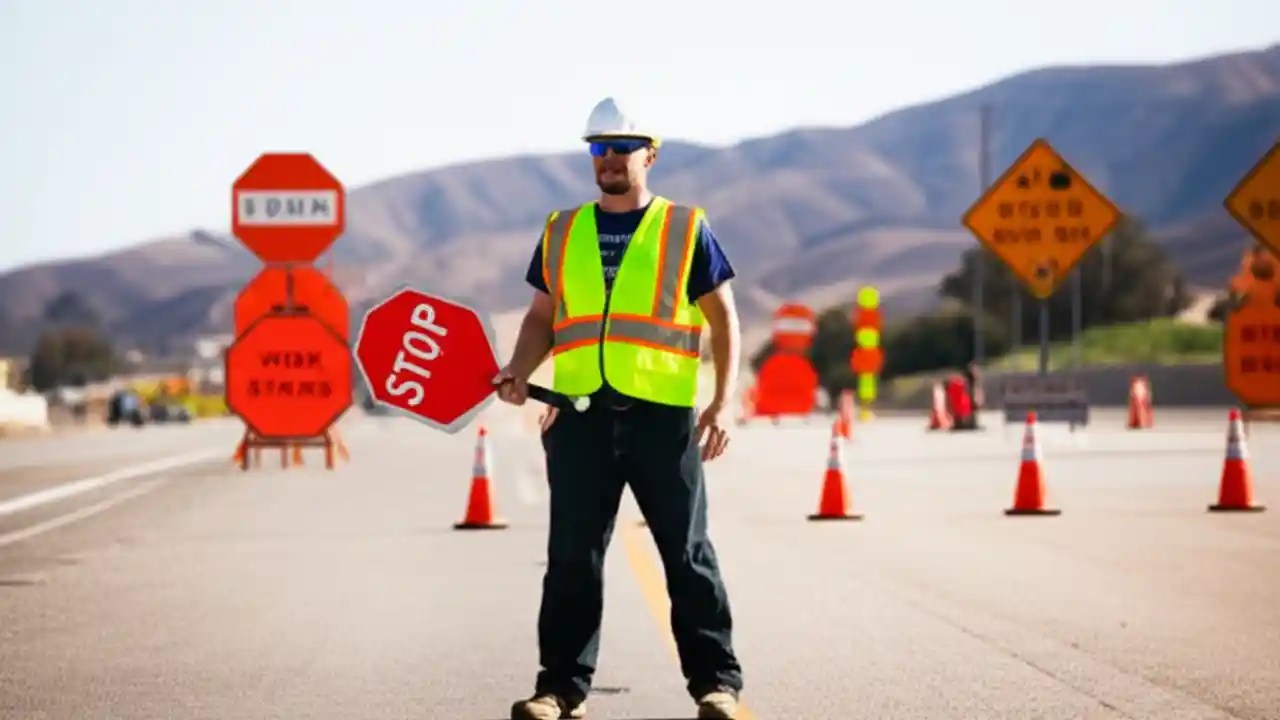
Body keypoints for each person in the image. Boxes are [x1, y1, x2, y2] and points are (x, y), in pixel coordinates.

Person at [493, 97, 745, 720]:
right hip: (577, 417)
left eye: (620, 147)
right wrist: (520, 371)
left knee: (686, 556)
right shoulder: (561, 230)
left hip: (663, 419)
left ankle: (716, 686)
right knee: (572, 556)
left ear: (649, 154)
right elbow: (541, 318)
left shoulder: (686, 228)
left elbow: (723, 317)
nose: (607, 159)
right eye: (597, 148)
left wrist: (721, 403)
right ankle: (559, 690)